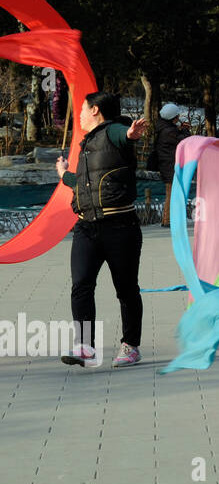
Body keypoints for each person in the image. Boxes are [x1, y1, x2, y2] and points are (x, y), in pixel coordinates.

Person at [55, 92, 149, 368]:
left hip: (120, 226)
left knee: (126, 289)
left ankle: (131, 346)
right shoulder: (87, 145)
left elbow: (124, 135)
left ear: (95, 110)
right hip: (86, 227)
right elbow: (86, 182)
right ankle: (85, 348)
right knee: (81, 285)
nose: (80, 115)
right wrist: (64, 175)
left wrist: (131, 135)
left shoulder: (113, 132)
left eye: (82, 110)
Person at [147, 102, 190, 227]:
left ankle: (168, 219)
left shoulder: (164, 128)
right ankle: (167, 220)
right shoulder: (168, 131)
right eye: (177, 116)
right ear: (172, 117)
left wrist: (180, 130)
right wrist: (186, 130)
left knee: (171, 192)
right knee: (171, 193)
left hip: (166, 165)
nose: (178, 119)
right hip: (170, 166)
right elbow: (183, 141)